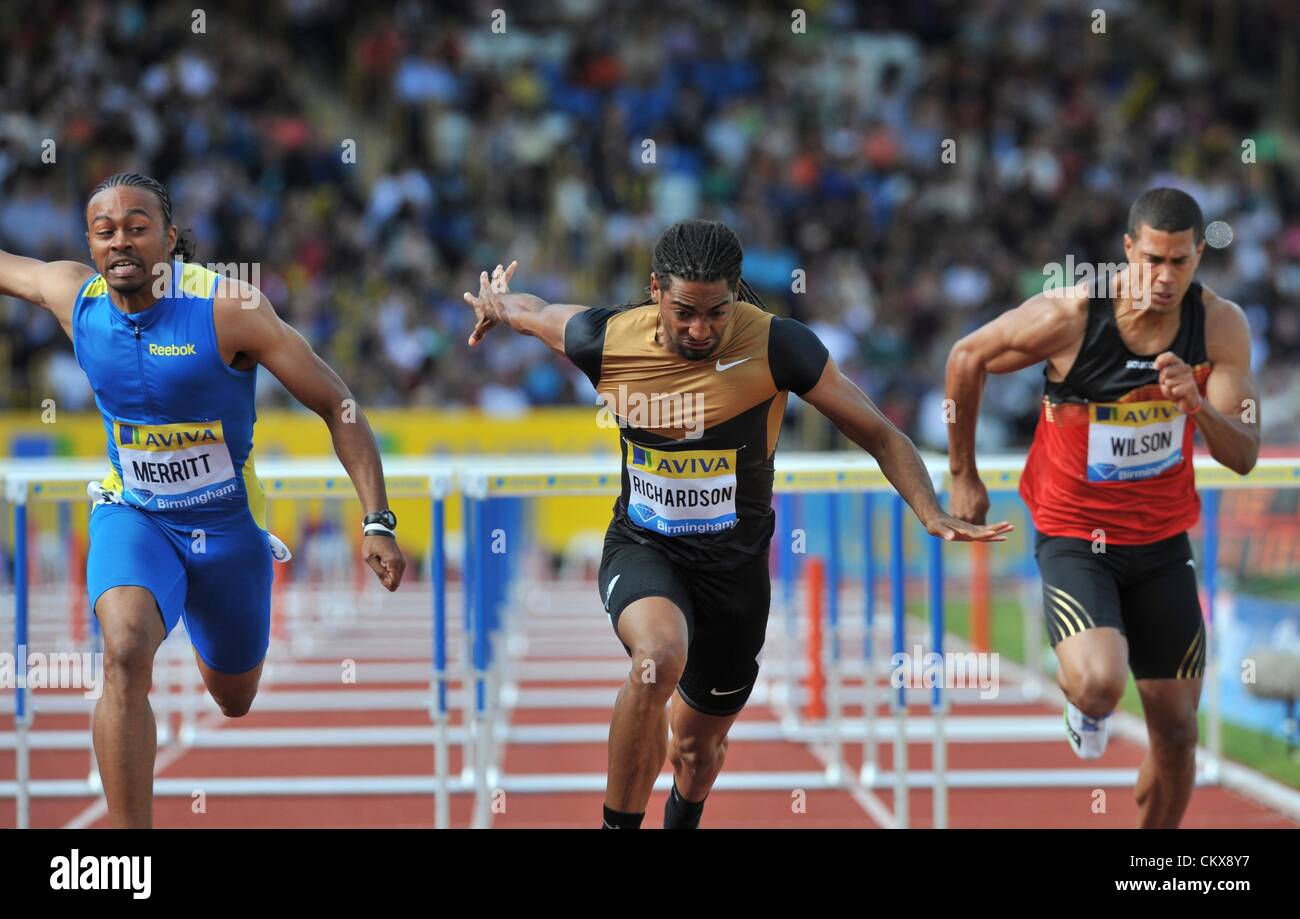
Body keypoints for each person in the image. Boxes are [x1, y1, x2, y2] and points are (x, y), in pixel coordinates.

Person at [463, 219, 1011, 829]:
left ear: (736, 295)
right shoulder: (605, 338)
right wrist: (497, 303)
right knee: (658, 658)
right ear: (655, 292)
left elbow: (880, 433)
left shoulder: (780, 346)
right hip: (645, 546)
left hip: (735, 574)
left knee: (697, 753)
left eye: (717, 313)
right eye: (685, 313)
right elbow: (533, 312)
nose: (701, 330)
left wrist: (928, 508)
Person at [0, 172, 407, 827]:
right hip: (134, 515)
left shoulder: (227, 308)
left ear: (170, 237)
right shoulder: (75, 297)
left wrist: (378, 519)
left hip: (226, 528)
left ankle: (199, 609)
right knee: (125, 647)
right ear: (90, 243)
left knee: (234, 697)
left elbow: (338, 403)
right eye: (105, 231)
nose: (121, 241)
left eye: (138, 226)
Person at [945, 187, 1261, 828]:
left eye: (1179, 262)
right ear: (1127, 250)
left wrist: (1197, 409)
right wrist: (963, 475)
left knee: (1176, 738)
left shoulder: (1218, 325)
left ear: (1199, 256)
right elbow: (967, 356)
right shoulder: (1073, 314)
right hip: (1074, 534)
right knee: (1099, 684)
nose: (1164, 277)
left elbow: (1246, 453)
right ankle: (1084, 706)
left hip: (1162, 543)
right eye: (1151, 260)